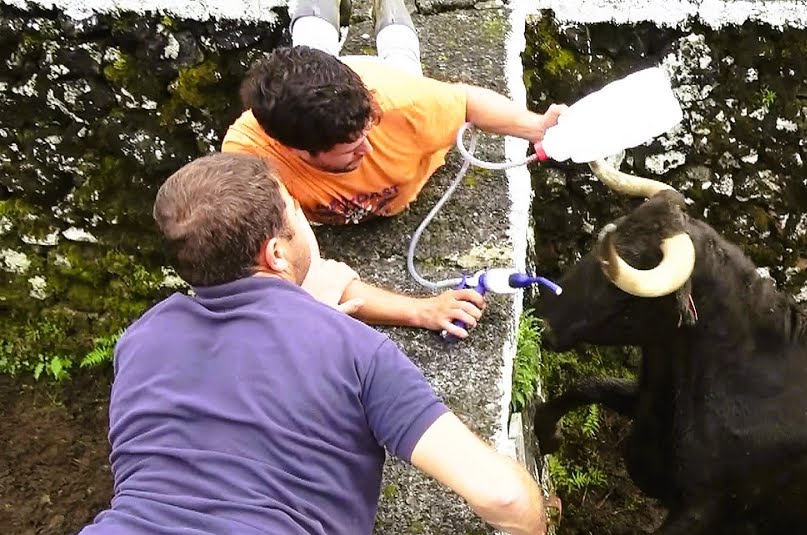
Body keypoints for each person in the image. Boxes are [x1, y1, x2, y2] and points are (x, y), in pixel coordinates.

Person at [0, 152, 547, 535]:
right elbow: (499, 494)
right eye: (295, 210)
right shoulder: (355, 351)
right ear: (277, 250)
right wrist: (535, 519)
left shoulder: (144, 333)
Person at [221, 0, 567, 338]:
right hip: (315, 120)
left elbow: (466, 102)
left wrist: (536, 126)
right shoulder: (252, 160)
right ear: (297, 151)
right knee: (310, 48)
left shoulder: (396, 102)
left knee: (401, 64)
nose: (368, 149)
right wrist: (421, 310)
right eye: (351, 149)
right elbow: (306, 275)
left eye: (366, 133)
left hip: (391, 85)